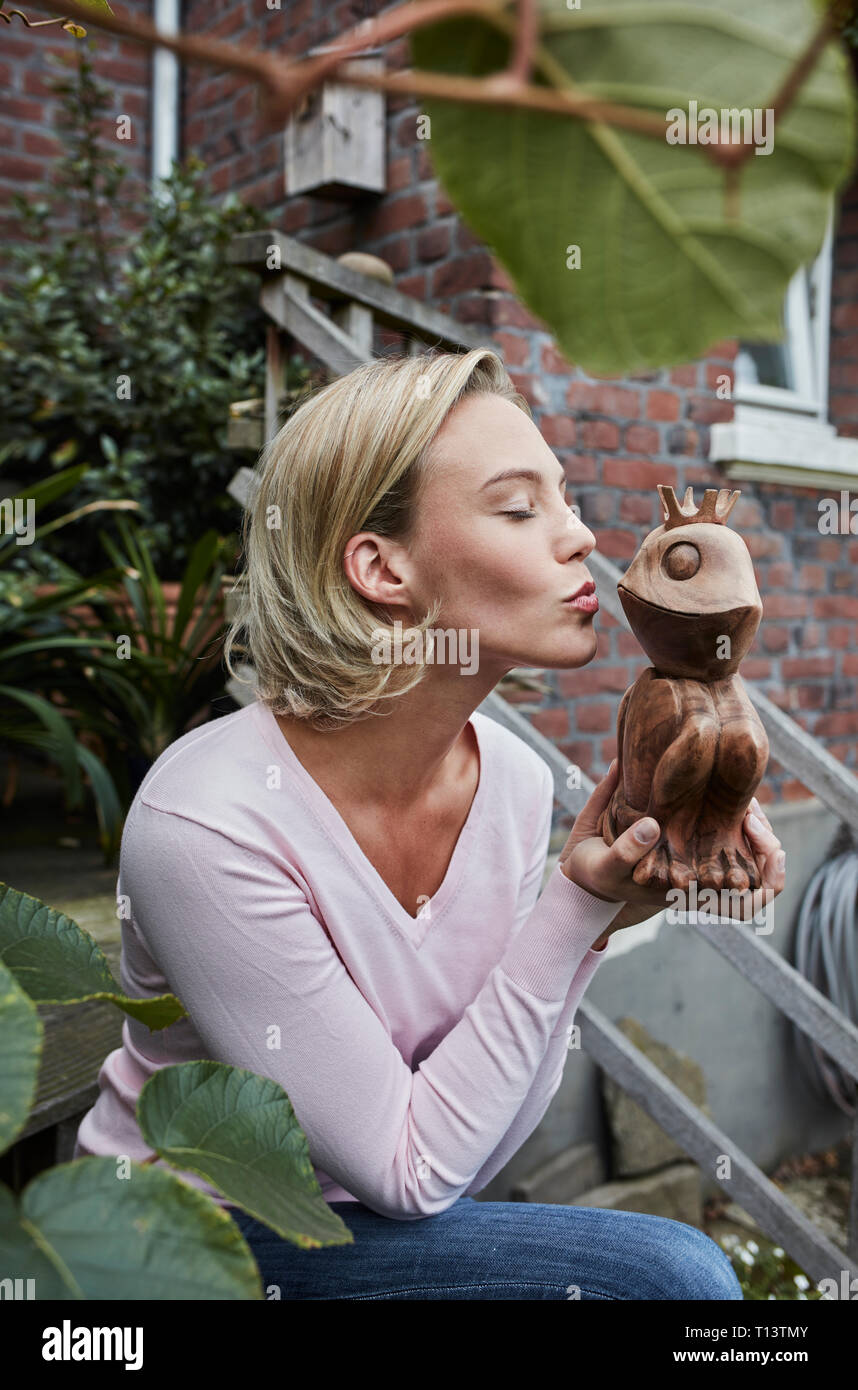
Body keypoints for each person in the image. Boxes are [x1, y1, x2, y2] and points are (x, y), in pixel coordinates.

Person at [74, 348, 785, 1299]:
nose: (578, 537)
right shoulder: (207, 823)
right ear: (381, 567)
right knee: (671, 1280)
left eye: (564, 498)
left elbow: (470, 1150)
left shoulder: (516, 782)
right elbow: (414, 1173)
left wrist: (605, 912)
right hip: (175, 1246)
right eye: (519, 506)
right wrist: (570, 907)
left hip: (361, 1232)